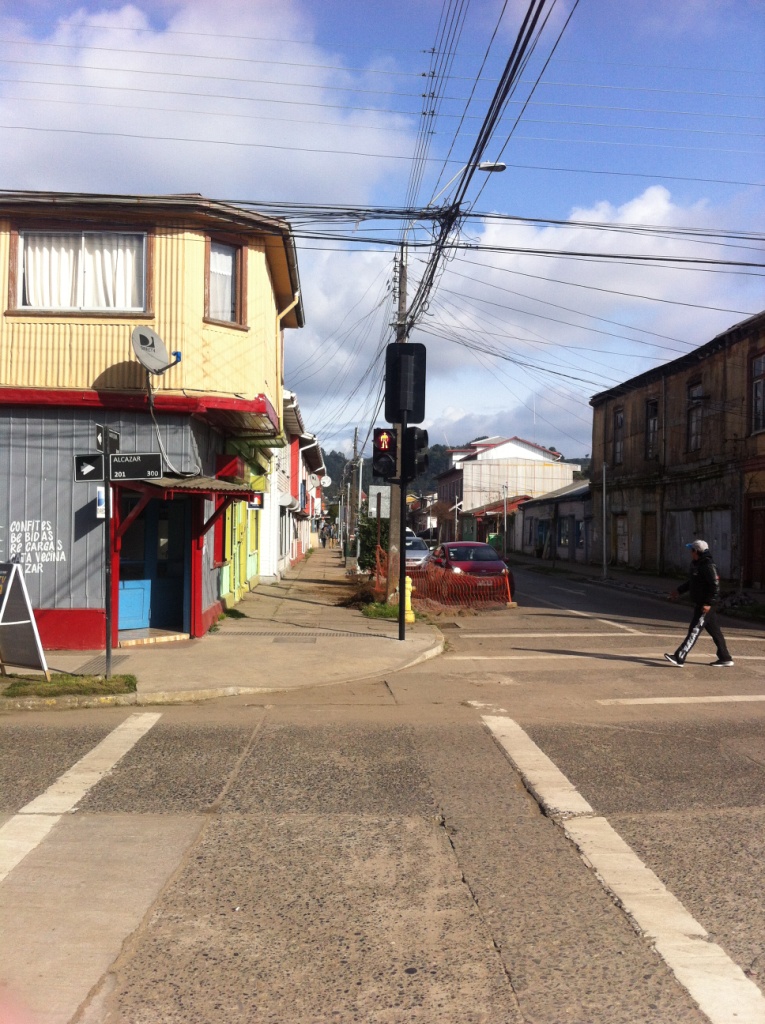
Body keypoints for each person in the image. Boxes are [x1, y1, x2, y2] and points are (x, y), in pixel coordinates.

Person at [664, 539, 733, 667]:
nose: (690, 553)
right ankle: (725, 657)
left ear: (696, 551)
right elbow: (692, 582)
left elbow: (715, 587)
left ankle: (679, 656)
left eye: (691, 550)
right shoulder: (697, 564)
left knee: (694, 630)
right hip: (701, 602)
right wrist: (678, 591)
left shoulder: (708, 565)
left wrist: (708, 603)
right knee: (715, 632)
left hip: (705, 605)